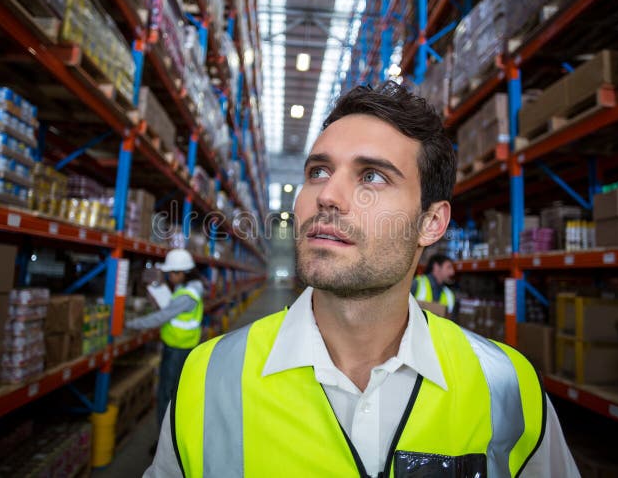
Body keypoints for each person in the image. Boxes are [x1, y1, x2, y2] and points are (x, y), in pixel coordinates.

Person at [147, 82, 579, 477]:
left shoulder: (506, 387)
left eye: (372, 176)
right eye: (318, 171)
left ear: (431, 222)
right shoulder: (208, 378)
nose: (328, 196)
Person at [125, 248, 204, 433]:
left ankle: (165, 443)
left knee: (166, 396)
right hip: (184, 347)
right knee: (174, 393)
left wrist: (132, 323)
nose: (169, 278)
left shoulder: (186, 296)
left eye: (171, 274)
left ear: (182, 273)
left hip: (177, 349)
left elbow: (161, 317)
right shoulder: (191, 288)